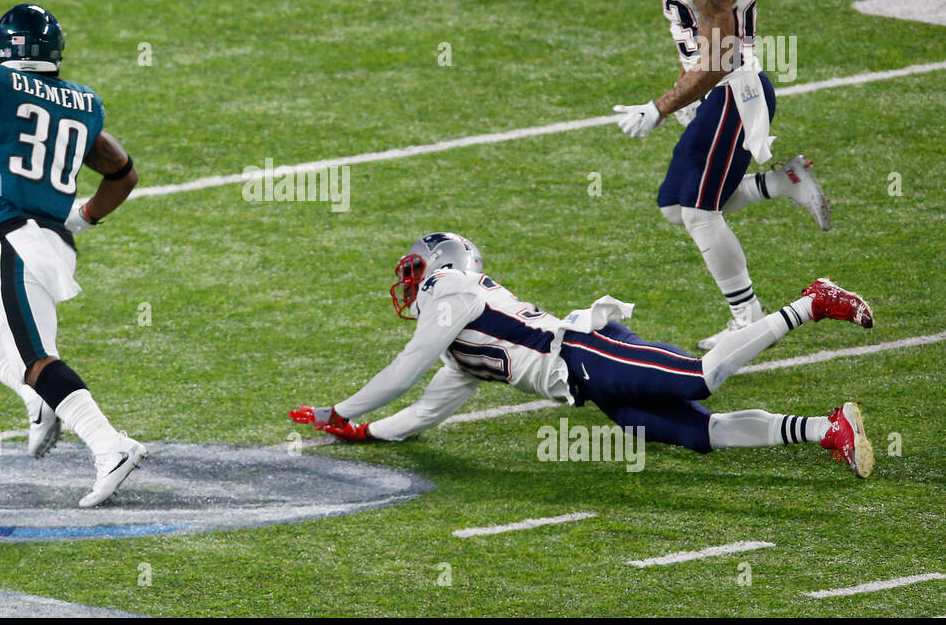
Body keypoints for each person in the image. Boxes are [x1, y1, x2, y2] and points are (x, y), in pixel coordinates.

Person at [290, 233, 875, 478]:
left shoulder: (452, 292)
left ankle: (812, 303)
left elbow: (405, 369)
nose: (410, 283)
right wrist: (367, 432)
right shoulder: (460, 344)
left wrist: (337, 411)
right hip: (590, 384)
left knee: (701, 378)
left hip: (590, 353)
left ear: (440, 265)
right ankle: (830, 431)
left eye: (415, 269)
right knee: (702, 435)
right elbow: (424, 409)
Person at [0, 3, 145, 507]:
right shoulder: (82, 101)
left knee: (37, 358)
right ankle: (38, 401)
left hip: (19, 240)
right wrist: (83, 216)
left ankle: (111, 446)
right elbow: (122, 173)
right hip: (50, 240)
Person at [615, 0, 831, 350]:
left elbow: (721, 56)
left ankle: (748, 319)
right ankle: (782, 182)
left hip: (733, 90)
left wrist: (661, 106)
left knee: (697, 210)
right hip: (714, 90)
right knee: (675, 206)